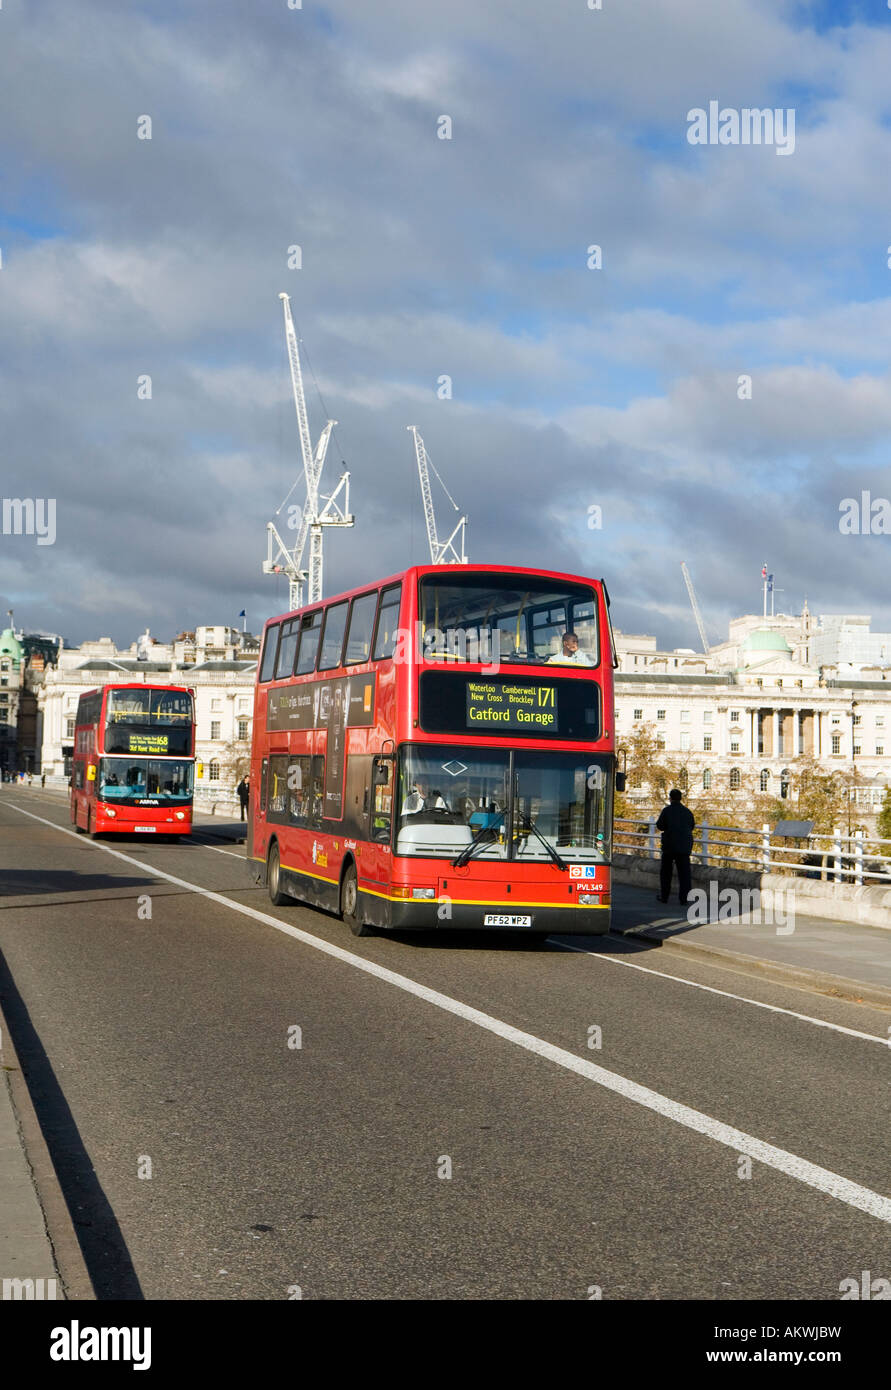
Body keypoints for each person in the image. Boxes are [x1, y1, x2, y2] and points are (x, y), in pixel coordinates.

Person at [656, 788, 695, 906]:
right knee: (684, 874)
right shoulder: (687, 812)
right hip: (684, 846)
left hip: (669, 846)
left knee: (666, 873)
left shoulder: (667, 811)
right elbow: (692, 826)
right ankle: (684, 899)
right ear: (680, 798)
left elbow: (660, 825)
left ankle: (664, 896)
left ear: (670, 798)